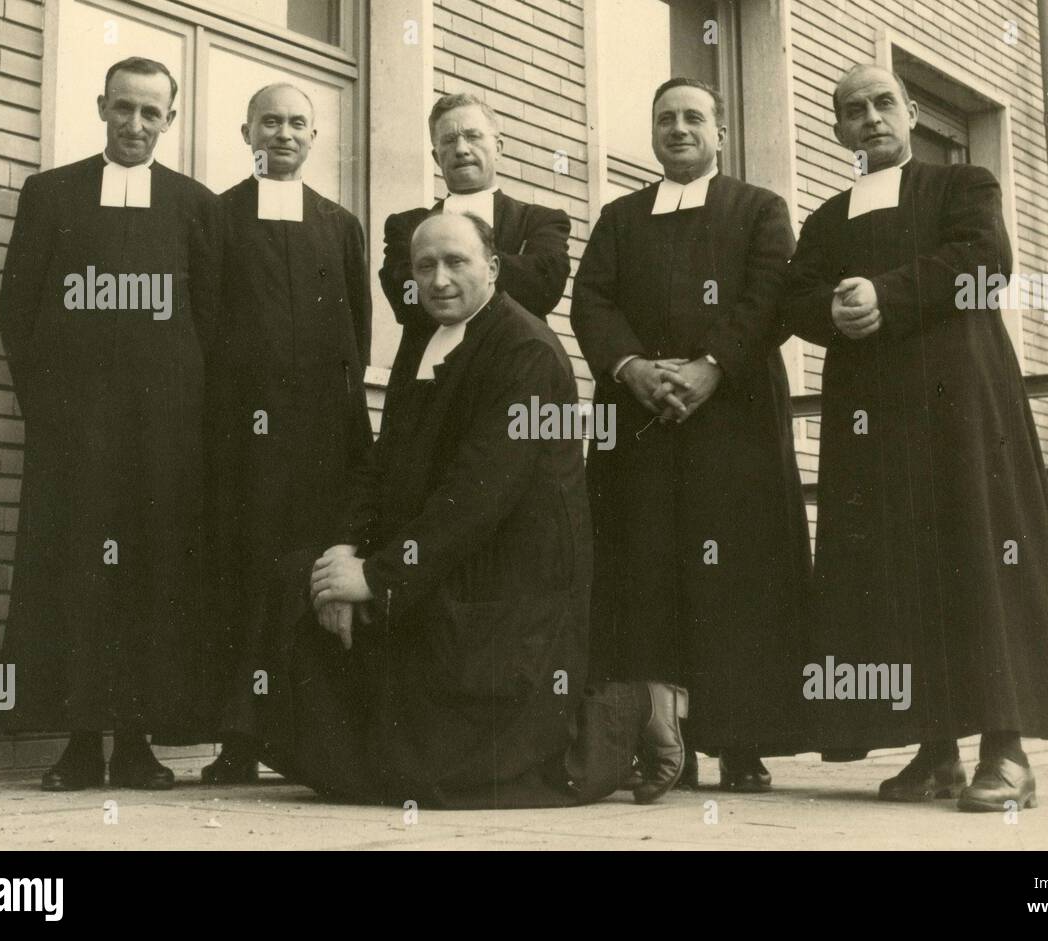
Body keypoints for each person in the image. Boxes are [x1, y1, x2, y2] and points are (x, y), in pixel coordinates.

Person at [251, 212, 686, 807]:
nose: (439, 278)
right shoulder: (423, 338)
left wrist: (375, 580)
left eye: (456, 262)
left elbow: (479, 495)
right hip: (436, 568)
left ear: (493, 267)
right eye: (425, 265)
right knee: (297, 590)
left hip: (509, 587)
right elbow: (382, 464)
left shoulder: (526, 348)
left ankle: (628, 710)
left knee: (446, 777)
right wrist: (345, 552)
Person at [781, 64, 1048, 811]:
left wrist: (884, 295)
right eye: (852, 110)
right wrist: (832, 307)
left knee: (977, 553)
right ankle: (934, 751)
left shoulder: (964, 186)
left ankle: (1006, 749)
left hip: (963, 407)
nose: (871, 119)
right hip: (873, 420)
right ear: (837, 130)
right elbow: (794, 297)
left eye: (883, 103)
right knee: (895, 564)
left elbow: (987, 261)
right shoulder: (825, 221)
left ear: (912, 112)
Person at [571, 77, 812, 791]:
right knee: (642, 571)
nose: (679, 129)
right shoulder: (619, 217)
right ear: (651, 133)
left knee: (737, 578)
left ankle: (741, 742)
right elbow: (591, 299)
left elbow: (769, 296)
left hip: (733, 420)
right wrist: (632, 367)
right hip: (639, 425)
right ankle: (657, 740)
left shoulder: (761, 210)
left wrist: (711, 367)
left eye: (693, 118)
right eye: (666, 119)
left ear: (720, 134)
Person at [0, 57, 222, 791]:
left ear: (170, 121)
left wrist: (186, 416)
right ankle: (79, 743)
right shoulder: (50, 193)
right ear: (100, 107)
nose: (135, 125)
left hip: (165, 440)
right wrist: (54, 411)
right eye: (123, 108)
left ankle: (137, 744)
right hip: (75, 435)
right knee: (76, 576)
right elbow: (16, 311)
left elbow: (211, 322)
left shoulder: (195, 205)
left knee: (154, 575)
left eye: (151, 113)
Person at [201, 83, 373, 784]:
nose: (283, 134)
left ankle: (313, 736)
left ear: (314, 136)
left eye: (297, 122)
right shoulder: (217, 217)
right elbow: (208, 326)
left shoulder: (340, 224)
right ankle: (240, 738)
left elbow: (356, 335)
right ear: (247, 130)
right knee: (243, 577)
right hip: (244, 443)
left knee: (315, 575)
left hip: (327, 442)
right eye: (269, 122)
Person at [379, 93, 570, 326]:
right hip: (427, 357)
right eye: (449, 140)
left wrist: (441, 284)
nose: (461, 149)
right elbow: (406, 299)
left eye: (472, 136)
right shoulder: (407, 226)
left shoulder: (539, 221)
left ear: (498, 148)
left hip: (512, 358)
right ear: (436, 157)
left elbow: (541, 291)